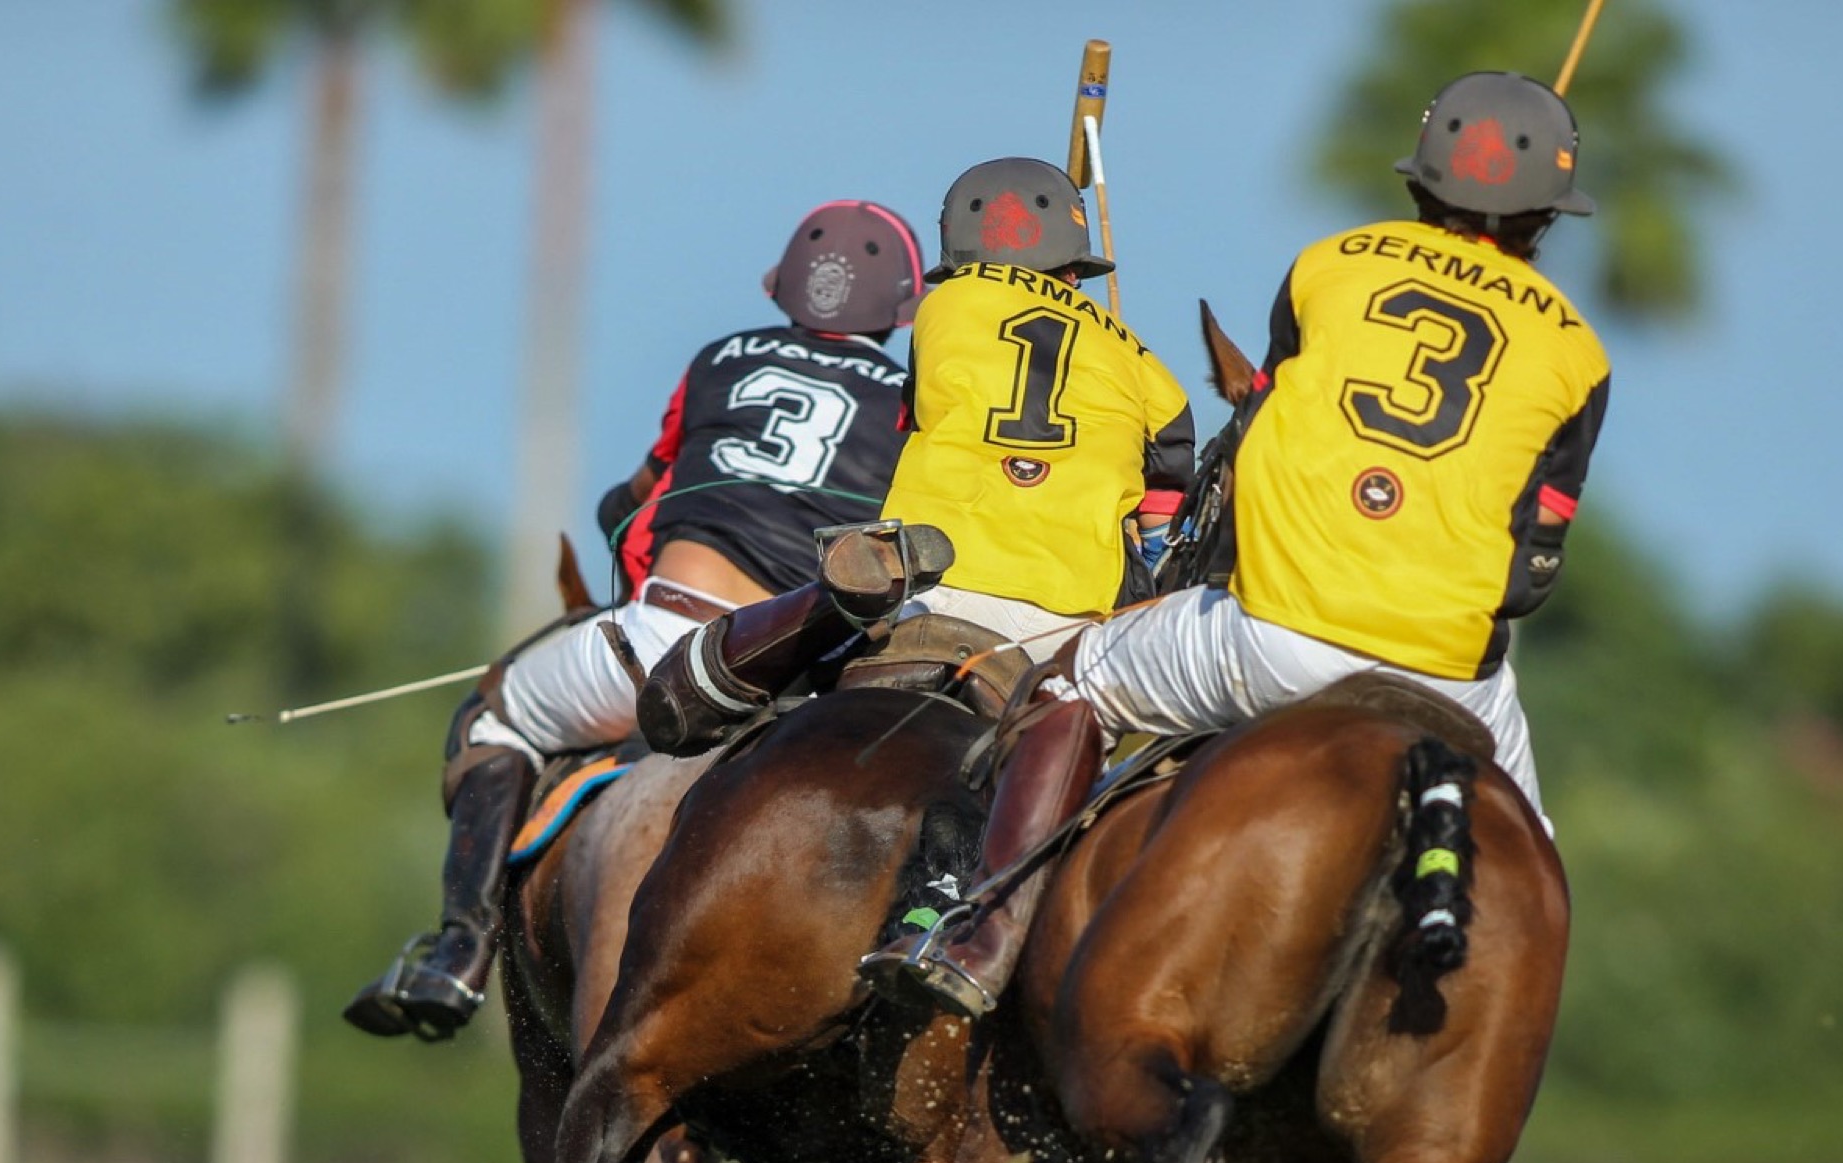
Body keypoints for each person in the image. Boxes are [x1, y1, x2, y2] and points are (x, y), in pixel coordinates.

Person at [872, 72, 1609, 1030]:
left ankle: (981, 931)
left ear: (1421, 185)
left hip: (1270, 639)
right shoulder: (1578, 353)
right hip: (1449, 678)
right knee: (1533, 861)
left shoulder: (1329, 267)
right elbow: (1528, 578)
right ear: (1546, 217)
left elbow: (1257, 446)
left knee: (1064, 685)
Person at [345, 199, 928, 1041]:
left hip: (661, 651)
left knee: (498, 718)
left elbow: (637, 512)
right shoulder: (914, 402)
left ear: (786, 287)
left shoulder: (718, 360)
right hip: (798, 679)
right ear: (902, 309)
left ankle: (458, 952)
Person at [635, 156, 1194, 760]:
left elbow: (915, 420)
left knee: (798, 689)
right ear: (1075, 265)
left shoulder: (944, 307)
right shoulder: (1143, 361)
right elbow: (1167, 491)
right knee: (1097, 792)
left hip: (930, 583)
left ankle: (700, 689)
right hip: (1066, 616)